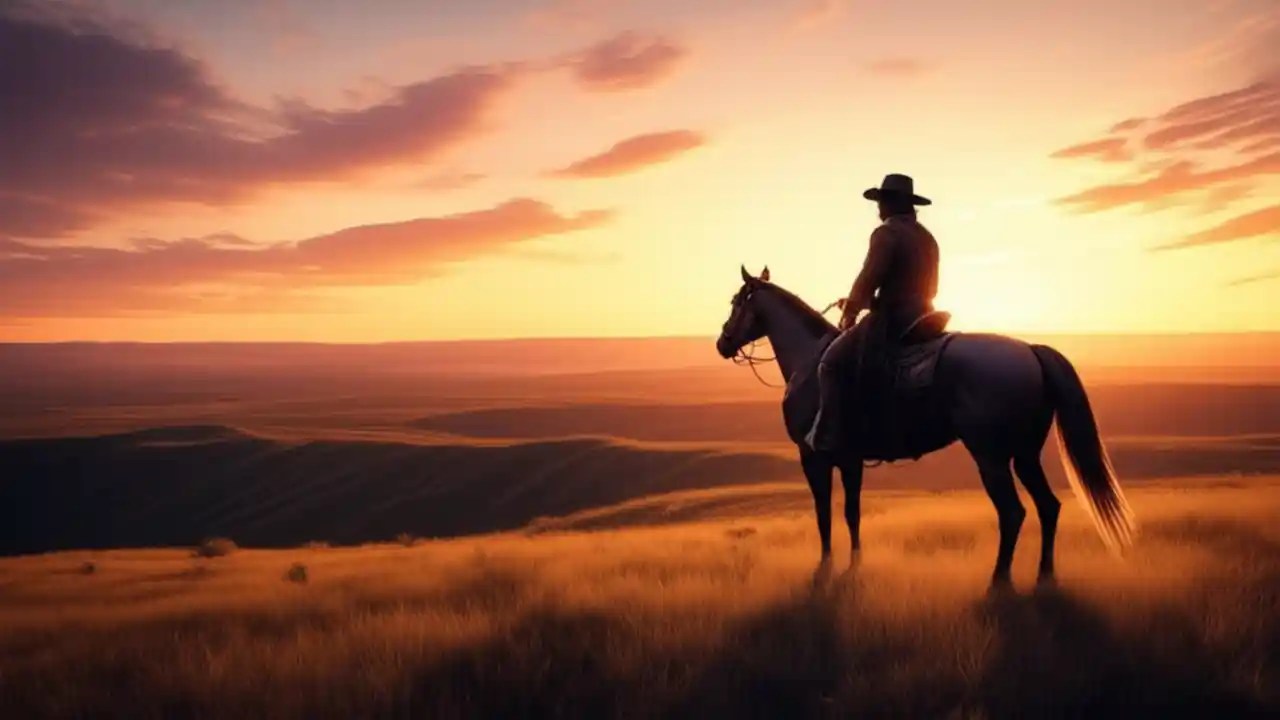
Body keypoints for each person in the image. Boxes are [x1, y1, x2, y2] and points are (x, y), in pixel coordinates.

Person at [804, 173, 940, 454]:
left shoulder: (887, 233)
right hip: (926, 314)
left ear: (891, 204)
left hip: (895, 318)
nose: (879, 208)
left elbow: (870, 276)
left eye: (882, 202)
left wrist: (853, 308)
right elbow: (930, 287)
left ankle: (829, 437)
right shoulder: (927, 237)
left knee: (831, 362)